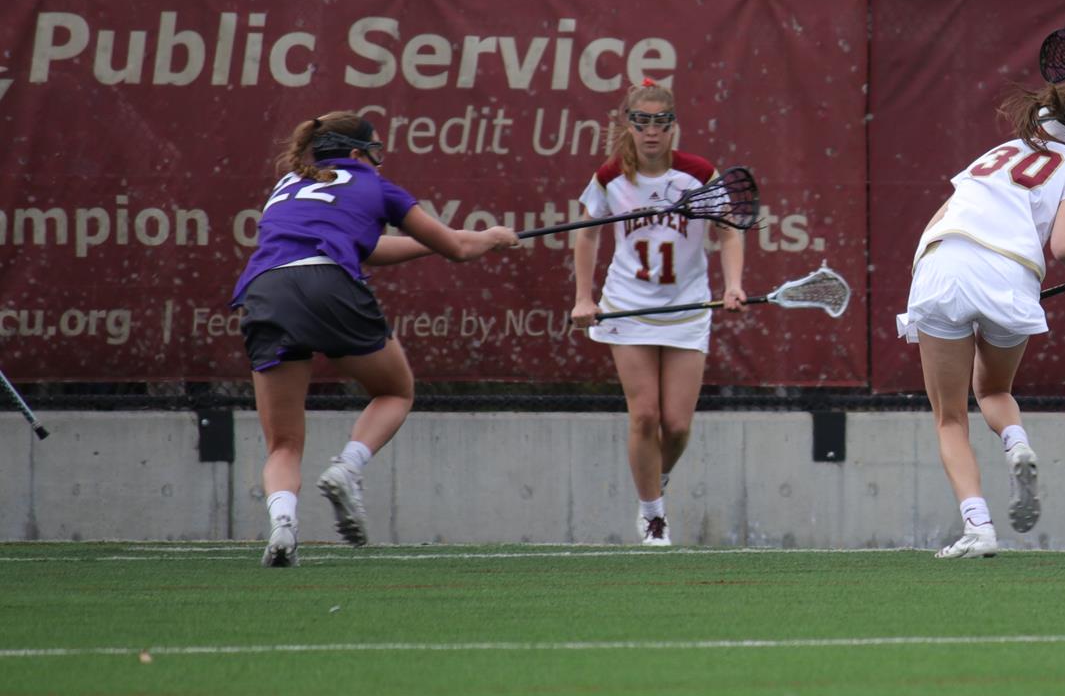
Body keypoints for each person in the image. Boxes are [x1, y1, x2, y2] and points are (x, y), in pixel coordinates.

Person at [231, 112, 517, 566]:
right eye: (374, 151)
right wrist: (487, 238)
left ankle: (283, 525)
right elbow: (458, 250)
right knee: (395, 391)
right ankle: (348, 468)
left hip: (265, 291)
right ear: (358, 153)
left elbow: (369, 247)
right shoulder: (374, 184)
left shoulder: (288, 184)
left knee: (283, 444)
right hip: (329, 285)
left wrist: (457, 239)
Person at [897, 81, 1065, 558]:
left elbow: (938, 222)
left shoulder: (997, 154)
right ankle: (1016, 442)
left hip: (942, 266)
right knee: (993, 390)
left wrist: (930, 277)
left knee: (950, 419)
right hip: (1010, 275)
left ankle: (979, 529)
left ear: (1037, 126)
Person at [571, 81, 746, 547]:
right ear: (628, 124)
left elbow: (729, 231)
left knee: (677, 425)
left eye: (660, 122)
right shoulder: (610, 177)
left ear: (674, 126)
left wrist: (732, 285)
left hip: (687, 310)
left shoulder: (697, 174)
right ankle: (653, 515)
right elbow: (586, 234)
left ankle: (657, 477)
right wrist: (583, 298)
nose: (651, 132)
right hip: (627, 308)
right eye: (642, 121)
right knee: (644, 415)